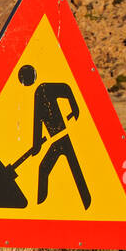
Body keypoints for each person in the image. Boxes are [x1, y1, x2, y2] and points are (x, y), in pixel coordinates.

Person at [17, 64, 91, 209]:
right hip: (55, 139)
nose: (24, 83)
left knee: (71, 168)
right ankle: (41, 207)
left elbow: (66, 89)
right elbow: (37, 122)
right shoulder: (37, 94)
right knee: (45, 169)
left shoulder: (44, 88)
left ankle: (88, 203)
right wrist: (36, 145)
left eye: (25, 79)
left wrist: (75, 110)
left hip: (63, 134)